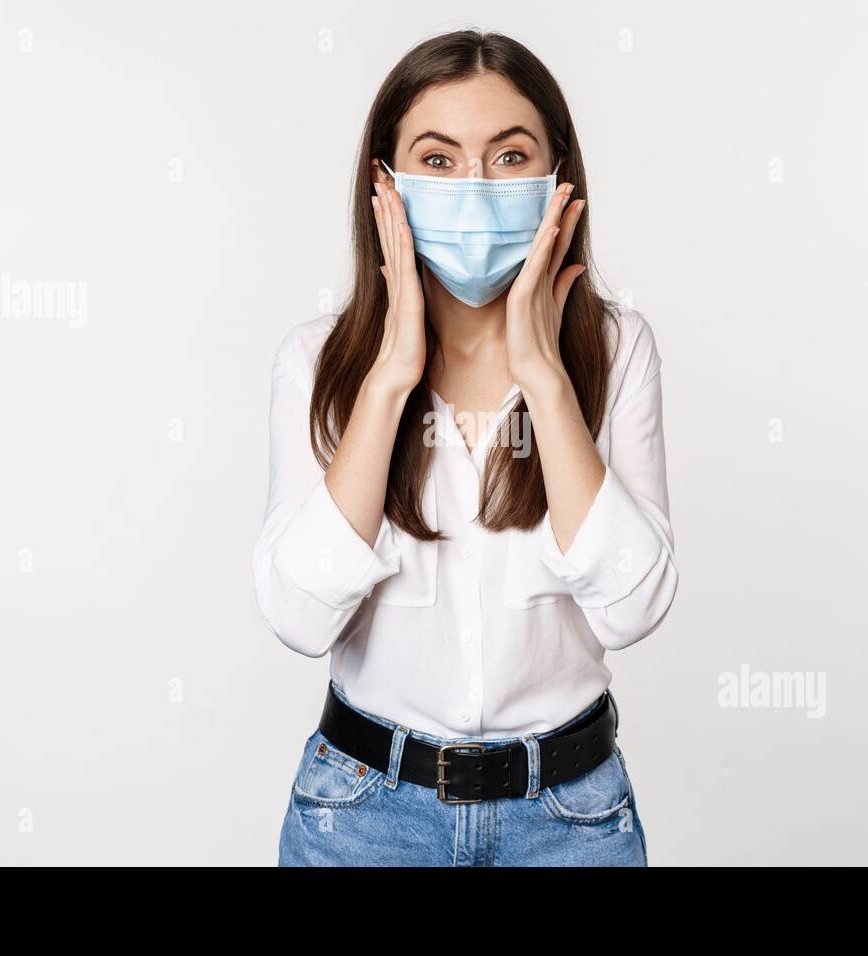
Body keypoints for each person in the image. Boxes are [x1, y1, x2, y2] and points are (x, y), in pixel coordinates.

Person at [253, 30, 678, 866]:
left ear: (561, 183)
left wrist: (546, 382)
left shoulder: (618, 349)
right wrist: (387, 381)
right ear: (386, 185)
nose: (475, 190)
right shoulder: (318, 362)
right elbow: (300, 618)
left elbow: (633, 610)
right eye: (439, 160)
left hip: (570, 821)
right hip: (363, 816)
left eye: (510, 156)